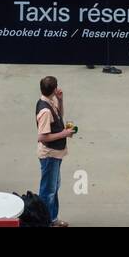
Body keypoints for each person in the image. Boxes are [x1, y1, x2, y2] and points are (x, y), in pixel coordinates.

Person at [35, 76, 76, 226]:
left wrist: (60, 100)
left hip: (56, 153)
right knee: (48, 191)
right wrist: (64, 134)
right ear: (54, 89)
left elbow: (60, 116)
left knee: (54, 187)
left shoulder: (49, 101)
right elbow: (42, 136)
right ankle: (45, 222)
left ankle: (52, 219)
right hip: (50, 154)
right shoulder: (45, 111)